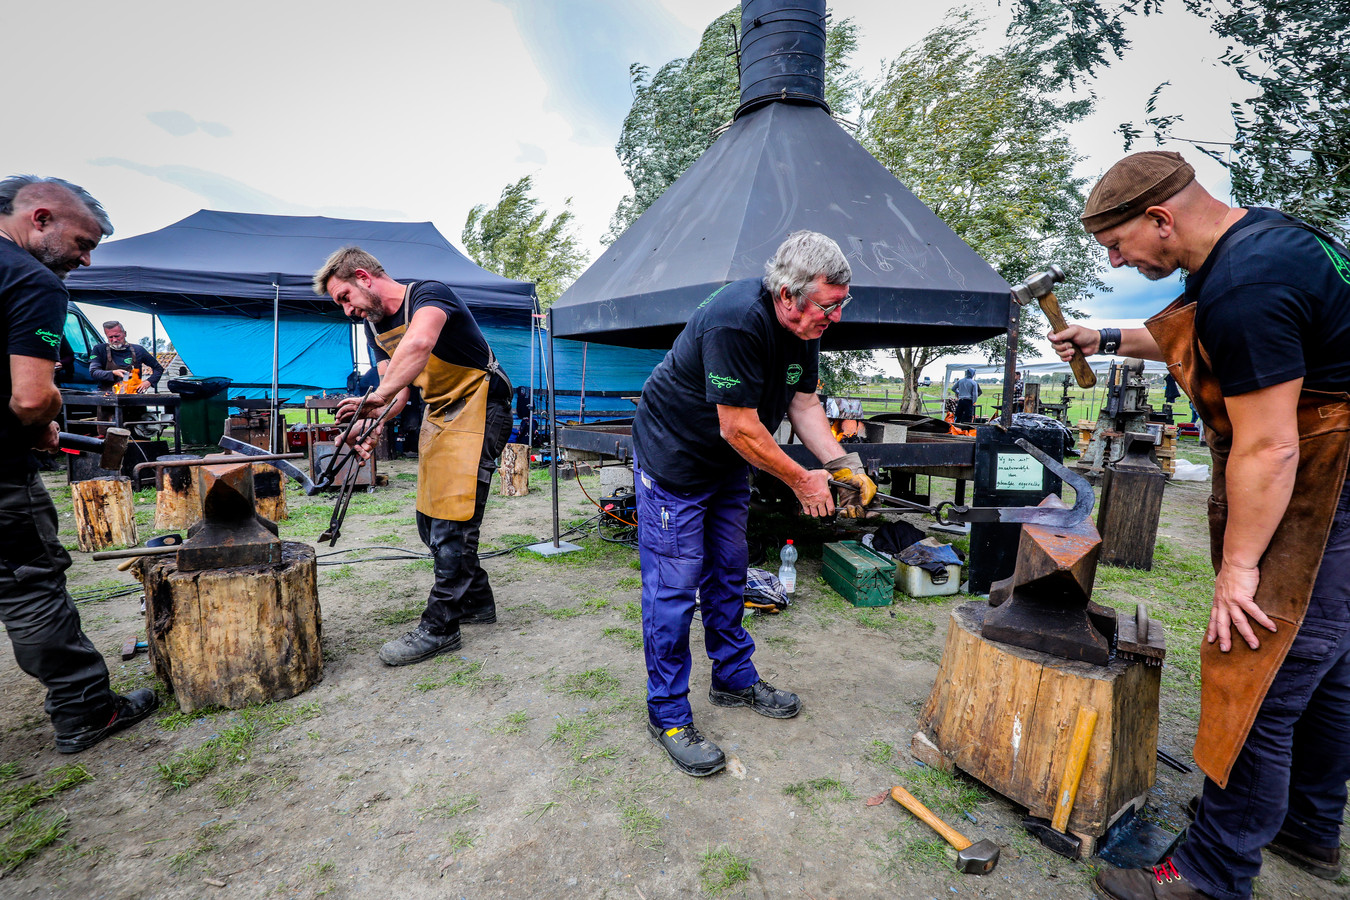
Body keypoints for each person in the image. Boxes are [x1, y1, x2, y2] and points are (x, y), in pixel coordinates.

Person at [1048, 151, 1350, 900]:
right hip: (1340, 485)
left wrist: (1240, 567)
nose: (1115, 258)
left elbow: (1273, 444)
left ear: (1161, 218)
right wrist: (1106, 337)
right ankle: (1305, 828)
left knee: (1255, 668)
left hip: (1319, 489)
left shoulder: (1249, 282)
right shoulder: (1272, 243)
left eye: (1118, 245)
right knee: (1327, 668)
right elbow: (1199, 339)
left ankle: (1209, 875)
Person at [631, 231, 877, 777]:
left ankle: (733, 678)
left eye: (841, 305)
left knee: (729, 570)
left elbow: (804, 402)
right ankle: (668, 713)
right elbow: (739, 426)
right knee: (673, 587)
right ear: (787, 295)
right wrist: (801, 481)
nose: (834, 318)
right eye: (827, 306)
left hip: (727, 464)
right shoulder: (735, 319)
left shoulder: (806, 326)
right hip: (675, 460)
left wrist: (842, 465)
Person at [0, 174, 159, 752]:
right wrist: (45, 417)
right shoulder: (30, 278)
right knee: (28, 584)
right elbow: (31, 395)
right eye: (82, 243)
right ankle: (87, 709)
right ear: (40, 218)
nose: (87, 261)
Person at [313, 247, 512, 666]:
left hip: (483, 404)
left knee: (453, 522)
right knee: (429, 520)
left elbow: (420, 343)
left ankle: (441, 626)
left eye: (344, 297)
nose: (347, 310)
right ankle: (476, 601)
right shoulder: (374, 327)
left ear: (364, 277)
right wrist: (372, 423)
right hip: (440, 412)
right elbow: (398, 391)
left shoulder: (429, 295)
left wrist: (377, 398)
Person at [89, 320, 163, 393]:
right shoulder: (99, 349)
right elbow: (94, 372)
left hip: (133, 398)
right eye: (110, 337)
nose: (114, 340)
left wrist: (149, 382)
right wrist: (113, 373)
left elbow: (158, 368)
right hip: (107, 398)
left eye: (117, 336)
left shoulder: (138, 350)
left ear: (124, 334)